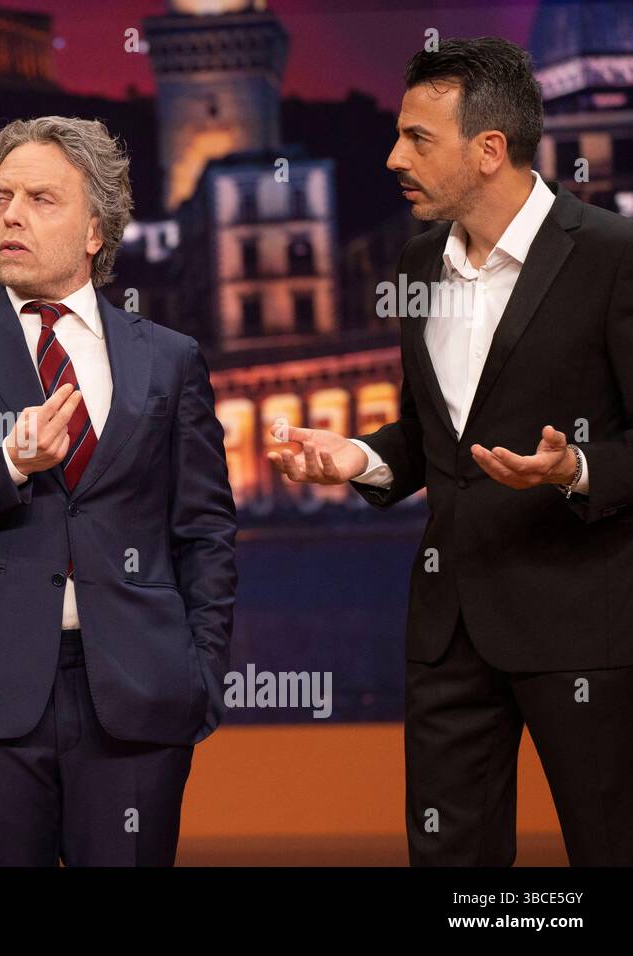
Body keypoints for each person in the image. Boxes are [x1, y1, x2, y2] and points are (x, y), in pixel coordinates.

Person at [270, 37, 633, 865]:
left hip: (587, 633)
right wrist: (356, 458)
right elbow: (433, 434)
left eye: (417, 139)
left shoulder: (614, 256)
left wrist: (576, 469)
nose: (395, 156)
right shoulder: (418, 263)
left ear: (489, 149)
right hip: (447, 633)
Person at [0, 116, 238, 866]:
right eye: (0, 198)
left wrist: (199, 676)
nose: (11, 215)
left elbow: (204, 530)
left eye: (40, 198)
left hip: (139, 698)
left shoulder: (167, 358)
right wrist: (4, 462)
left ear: (96, 230)